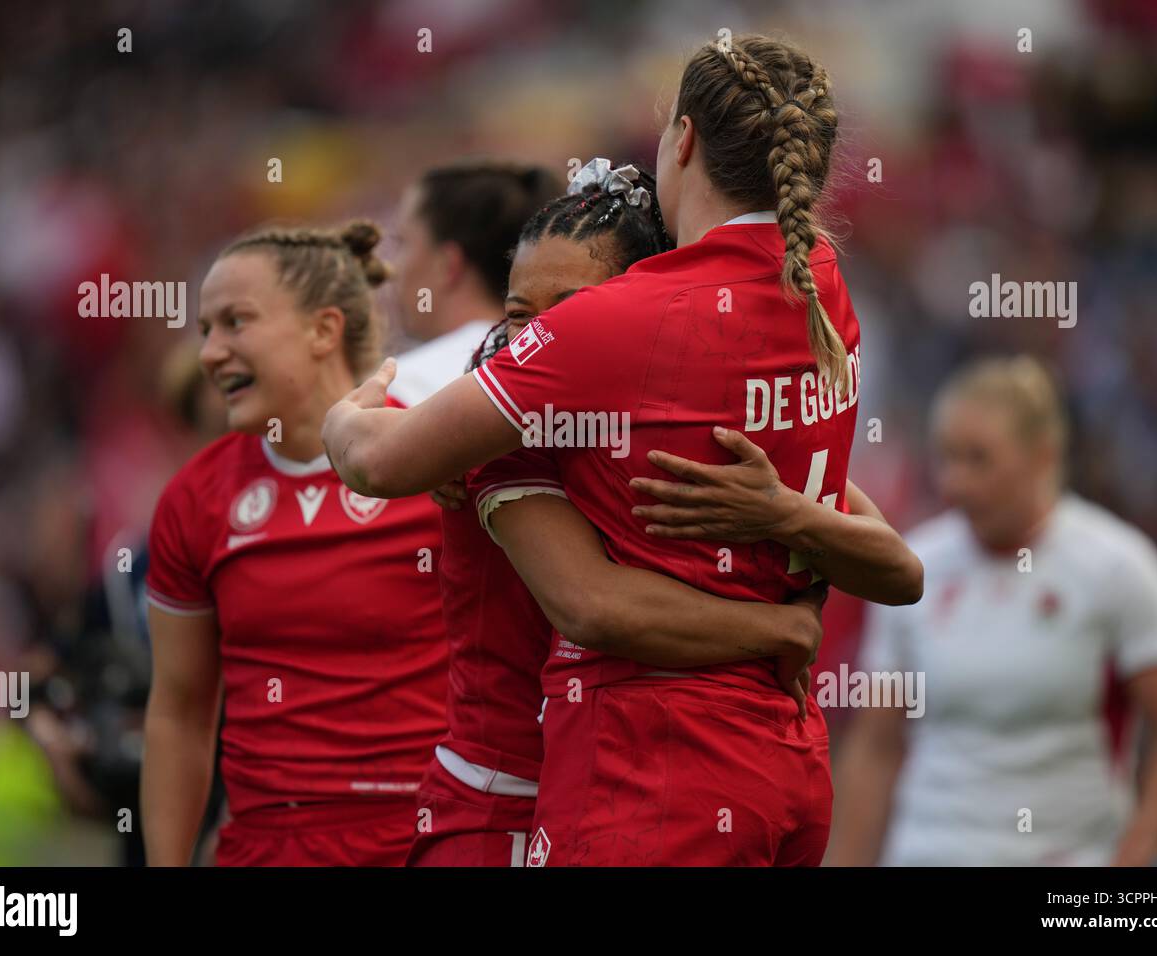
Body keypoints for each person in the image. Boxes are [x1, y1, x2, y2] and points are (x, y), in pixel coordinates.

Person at [324, 35, 876, 865]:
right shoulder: (819, 287)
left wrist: (344, 413)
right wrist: (783, 604)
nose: (534, 333)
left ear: (681, 139)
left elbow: (381, 466)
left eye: (559, 309)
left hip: (649, 771)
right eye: (520, 310)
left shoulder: (619, 328)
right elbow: (896, 565)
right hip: (779, 763)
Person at [141, 220, 449, 866]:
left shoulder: (437, 458)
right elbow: (179, 711)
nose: (209, 353)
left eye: (235, 322)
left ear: (323, 329)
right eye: (205, 331)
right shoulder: (195, 498)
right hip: (265, 848)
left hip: (423, 841)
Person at [827, 356, 1157, 866]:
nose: (954, 483)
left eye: (978, 459)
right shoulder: (910, 567)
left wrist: (1135, 853)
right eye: (946, 457)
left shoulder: (1117, 567)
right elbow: (875, 750)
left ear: (1043, 456)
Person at [385, 161, 562, 408]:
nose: (391, 268)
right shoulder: (559, 368)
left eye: (402, 243)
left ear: (447, 265)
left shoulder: (404, 387)